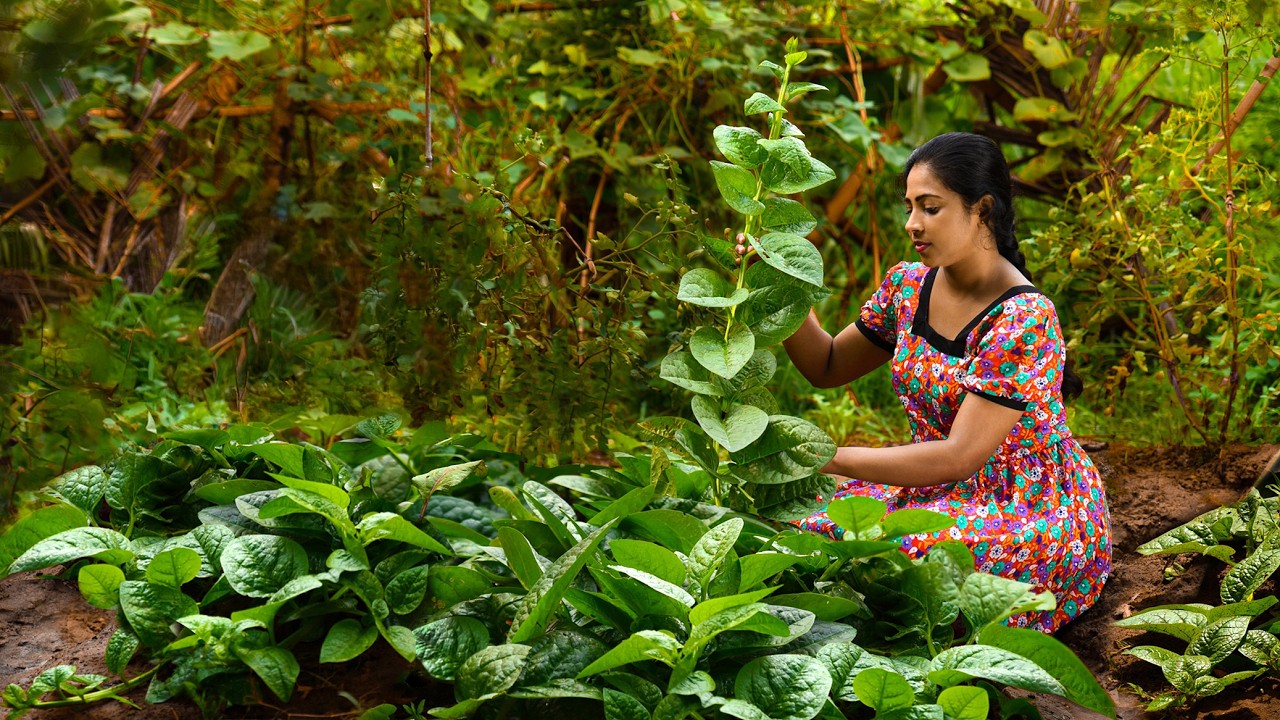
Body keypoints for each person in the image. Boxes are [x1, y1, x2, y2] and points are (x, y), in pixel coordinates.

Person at [748, 132, 1111, 633]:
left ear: (981, 210)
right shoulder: (910, 285)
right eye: (909, 207)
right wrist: (777, 282)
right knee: (795, 523)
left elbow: (960, 456)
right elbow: (827, 364)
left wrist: (826, 457)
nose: (912, 225)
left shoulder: (1024, 317)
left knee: (910, 558)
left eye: (930, 208)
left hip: (1025, 505)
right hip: (930, 487)